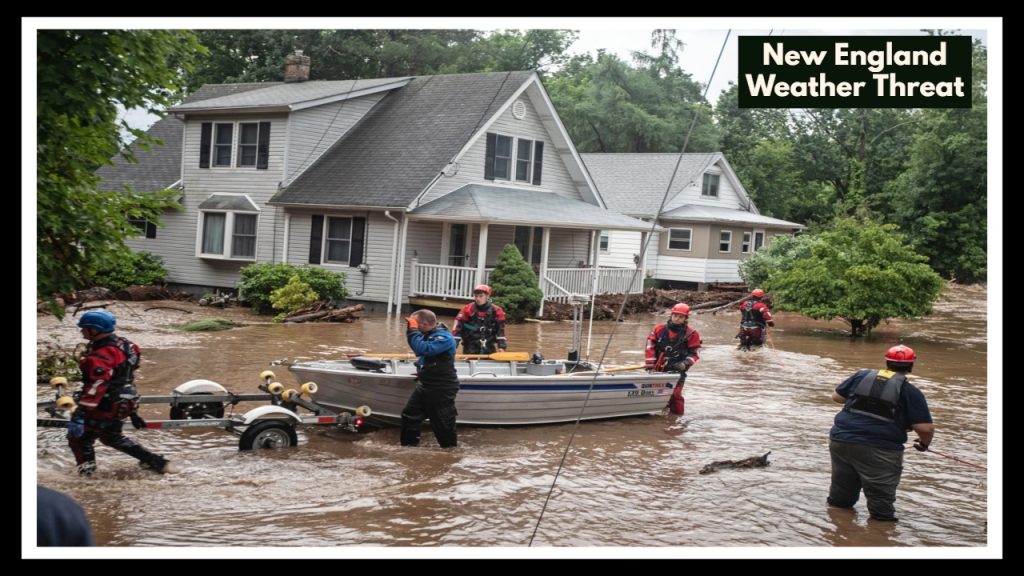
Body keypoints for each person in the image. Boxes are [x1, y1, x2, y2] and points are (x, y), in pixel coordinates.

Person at [827, 344, 935, 522]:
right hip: (879, 449)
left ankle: (838, 529)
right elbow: (925, 428)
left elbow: (837, 397)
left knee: (841, 497)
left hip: (841, 440)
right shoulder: (910, 391)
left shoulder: (861, 375)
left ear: (886, 362)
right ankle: (880, 536)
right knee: (881, 504)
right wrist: (924, 445)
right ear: (911, 366)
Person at [67, 310, 178, 476]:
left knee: (80, 439)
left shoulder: (99, 356)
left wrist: (80, 414)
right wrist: (133, 412)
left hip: (105, 404)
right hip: (125, 401)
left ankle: (86, 477)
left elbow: (98, 384)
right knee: (111, 437)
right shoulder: (129, 346)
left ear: (94, 330)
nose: (81, 331)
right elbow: (126, 377)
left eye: (84, 328)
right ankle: (157, 462)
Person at [401, 309, 460, 448]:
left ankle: (450, 455)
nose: (412, 326)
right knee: (409, 416)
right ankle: (408, 449)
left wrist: (413, 330)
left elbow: (423, 349)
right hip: (426, 384)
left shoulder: (444, 338)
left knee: (442, 424)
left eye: (415, 323)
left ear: (425, 324)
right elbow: (425, 357)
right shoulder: (428, 334)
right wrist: (423, 371)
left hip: (442, 388)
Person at [645, 303, 701, 415]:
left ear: (685, 318)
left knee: (675, 395)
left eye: (681, 317)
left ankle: (678, 418)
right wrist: (650, 364)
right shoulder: (658, 329)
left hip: (677, 371)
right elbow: (650, 346)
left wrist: (685, 363)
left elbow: (695, 353)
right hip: (658, 369)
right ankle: (660, 415)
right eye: (675, 315)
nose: (677, 319)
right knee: (657, 394)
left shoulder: (691, 334)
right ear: (671, 315)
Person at [453, 284, 507, 354]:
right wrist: (453, 347)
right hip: (470, 346)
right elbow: (457, 329)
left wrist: (501, 347)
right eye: (476, 296)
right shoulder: (466, 310)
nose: (478, 299)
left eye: (481, 296)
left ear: (487, 296)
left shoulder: (497, 311)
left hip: (489, 345)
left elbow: (501, 331)